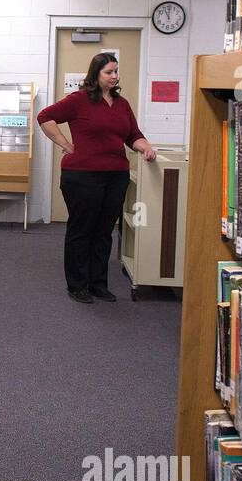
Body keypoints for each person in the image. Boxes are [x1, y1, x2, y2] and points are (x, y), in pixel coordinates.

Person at [36, 52, 157, 303]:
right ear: (96, 74)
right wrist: (66, 144)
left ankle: (98, 284)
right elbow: (44, 117)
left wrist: (145, 146)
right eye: (108, 72)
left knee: (104, 231)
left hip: (115, 176)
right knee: (82, 230)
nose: (114, 76)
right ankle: (77, 285)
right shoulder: (79, 100)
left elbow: (133, 134)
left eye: (116, 71)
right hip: (82, 176)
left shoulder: (121, 104)